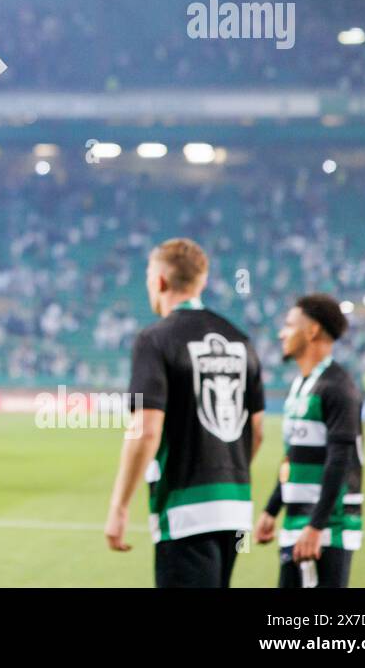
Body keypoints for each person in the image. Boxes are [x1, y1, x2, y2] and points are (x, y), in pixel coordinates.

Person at [105, 238, 265, 587]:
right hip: (235, 506)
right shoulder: (240, 340)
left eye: (149, 275)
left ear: (160, 281)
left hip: (185, 510)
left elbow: (145, 430)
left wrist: (119, 506)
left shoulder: (155, 339)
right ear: (201, 281)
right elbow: (257, 429)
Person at [255, 294, 363, 587]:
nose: (282, 333)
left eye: (289, 325)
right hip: (296, 524)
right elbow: (294, 457)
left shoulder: (337, 387)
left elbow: (340, 460)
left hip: (326, 530)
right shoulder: (302, 385)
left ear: (312, 331)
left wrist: (316, 525)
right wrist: (272, 508)